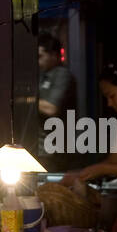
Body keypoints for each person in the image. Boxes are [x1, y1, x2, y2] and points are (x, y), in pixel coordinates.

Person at [37, 33, 77, 171]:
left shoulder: (62, 74)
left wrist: (26, 100)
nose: (38, 61)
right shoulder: (42, 75)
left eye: (41, 56)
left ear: (54, 55)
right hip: (41, 148)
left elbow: (52, 108)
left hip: (54, 150)